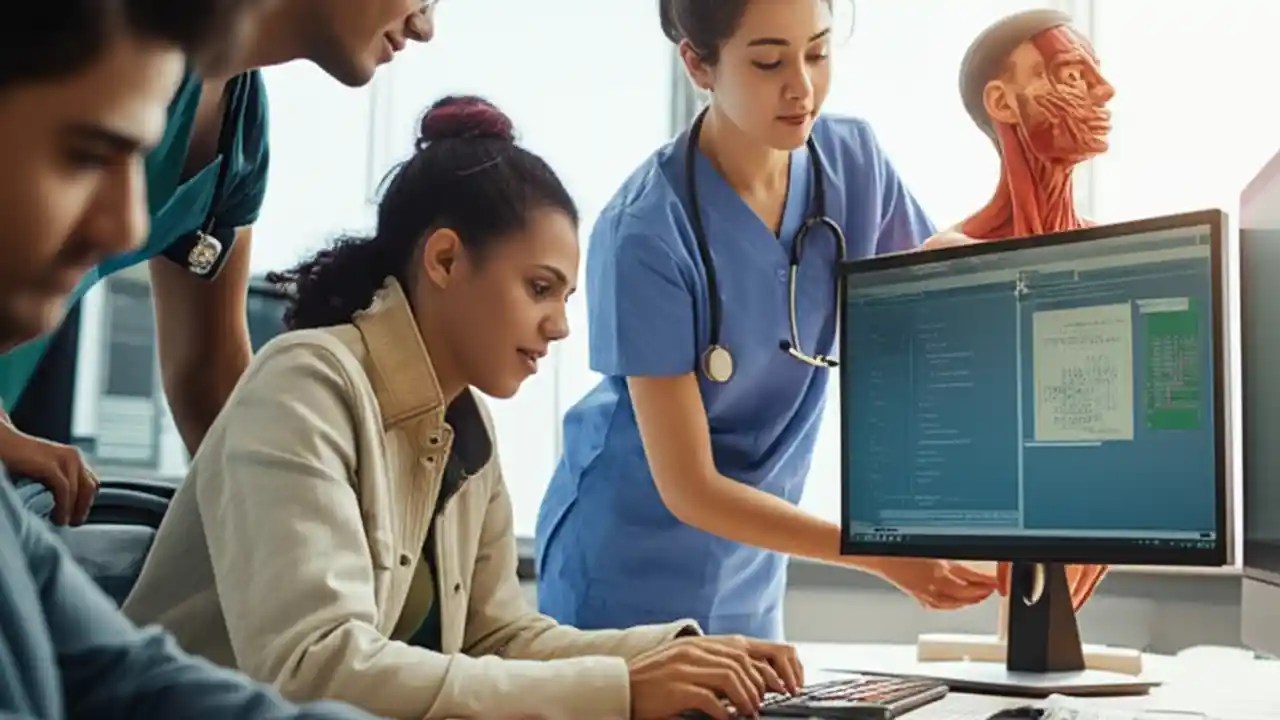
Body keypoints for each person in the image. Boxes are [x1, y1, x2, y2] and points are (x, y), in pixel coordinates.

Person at [123, 95, 807, 720]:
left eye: (565, 298)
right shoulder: (304, 386)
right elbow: (312, 667)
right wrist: (623, 692)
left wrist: (680, 656)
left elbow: (496, 637)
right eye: (540, 287)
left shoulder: (463, 427)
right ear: (445, 260)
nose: (560, 327)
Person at [535, 0, 1000, 641]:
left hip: (750, 568)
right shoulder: (645, 231)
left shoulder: (852, 163)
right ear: (698, 64)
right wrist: (879, 550)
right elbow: (690, 487)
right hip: (625, 568)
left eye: (817, 52)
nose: (802, 88)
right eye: (768, 61)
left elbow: (925, 299)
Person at [0, 1, 389, 717]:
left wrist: (294, 516)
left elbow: (120, 677)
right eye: (86, 155)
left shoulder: (238, 124)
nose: (128, 227)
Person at [0, 0, 437, 526]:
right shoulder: (115, 29)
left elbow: (208, 375)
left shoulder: (241, 131)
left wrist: (310, 517)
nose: (425, 25)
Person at [957, 8, 1115, 607]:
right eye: (1071, 75)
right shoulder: (953, 259)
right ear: (1003, 101)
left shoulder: (1117, 262)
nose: (1105, 90)